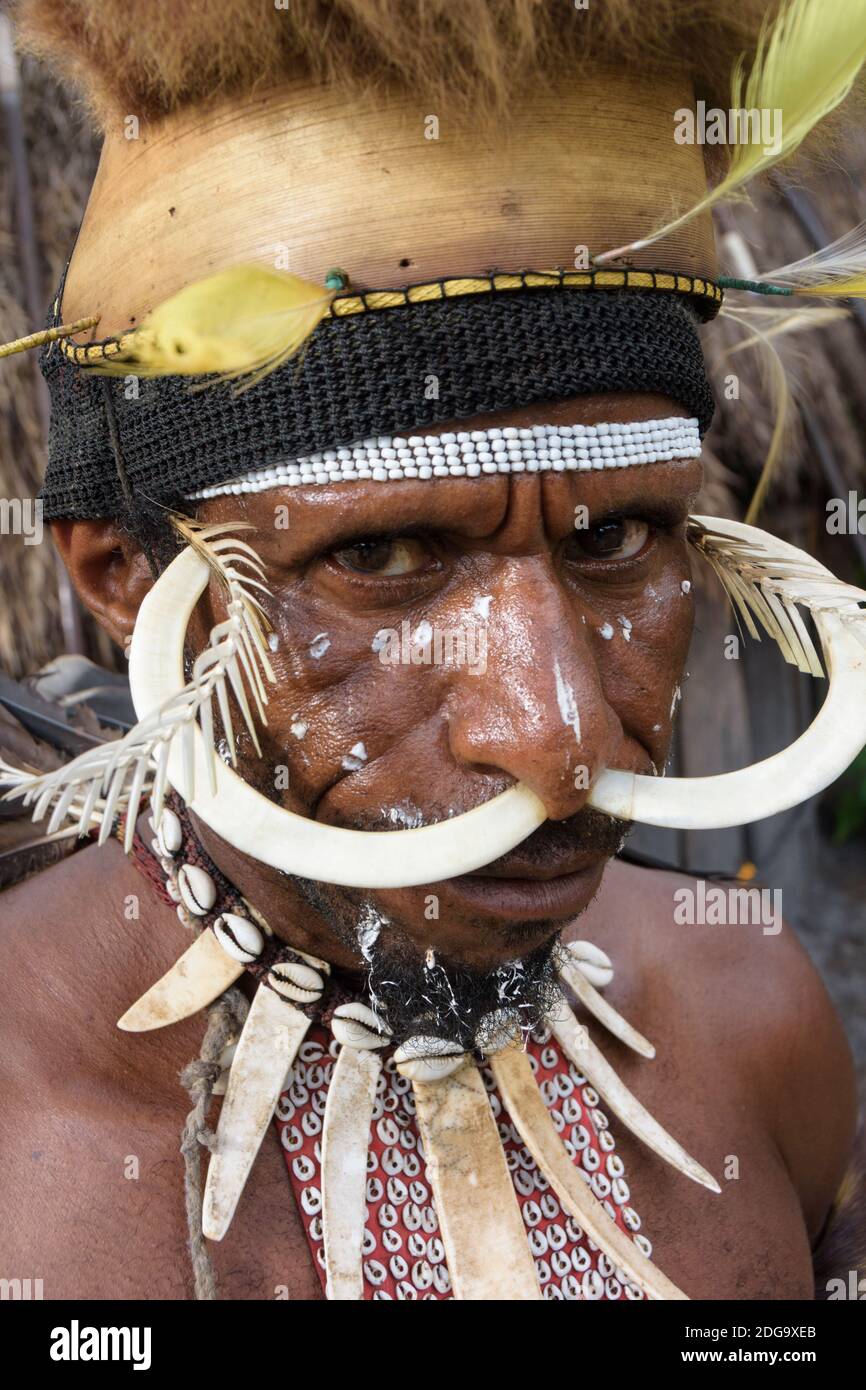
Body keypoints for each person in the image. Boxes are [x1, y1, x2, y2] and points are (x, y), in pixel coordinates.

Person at [0, 0, 864, 1302]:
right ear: (125, 577)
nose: (559, 738)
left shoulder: (751, 1010)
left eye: (617, 534)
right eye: (387, 559)